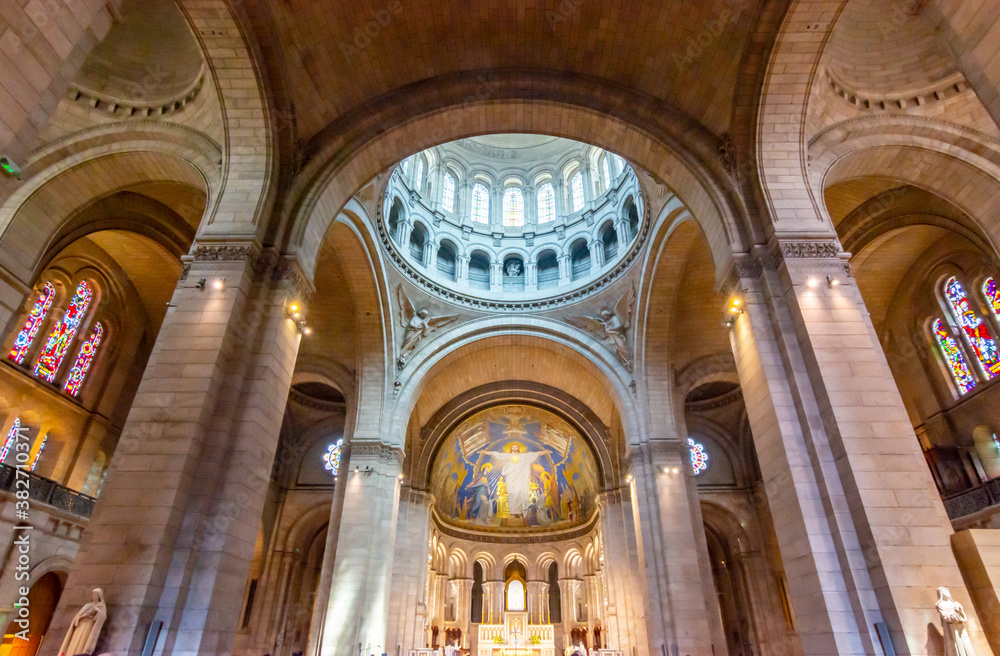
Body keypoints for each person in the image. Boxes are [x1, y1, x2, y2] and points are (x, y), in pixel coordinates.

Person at [485, 444, 542, 516]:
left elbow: (533, 455)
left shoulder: (523, 456)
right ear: (511, 448)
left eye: (516, 447)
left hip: (520, 477)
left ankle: (520, 512)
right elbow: (497, 454)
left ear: (518, 448)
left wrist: (544, 452)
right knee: (511, 492)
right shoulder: (507, 456)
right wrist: (486, 452)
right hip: (510, 476)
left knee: (519, 492)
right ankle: (513, 512)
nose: (514, 448)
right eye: (513, 447)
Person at [58, 588, 107, 656]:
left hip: (89, 626)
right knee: (75, 642)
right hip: (80, 625)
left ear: (99, 596)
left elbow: (103, 617)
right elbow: (76, 617)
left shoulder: (101, 606)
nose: (94, 596)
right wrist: (83, 616)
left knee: (83, 642)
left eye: (96, 594)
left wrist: (97, 611)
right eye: (93, 594)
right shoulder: (87, 605)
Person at [936, 587, 977, 656]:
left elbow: (963, 616)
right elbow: (945, 617)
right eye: (943, 592)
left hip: (959, 626)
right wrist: (954, 613)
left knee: (964, 642)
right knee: (955, 643)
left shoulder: (954, 603)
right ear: (941, 594)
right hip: (951, 627)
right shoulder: (940, 604)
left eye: (946, 591)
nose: (946, 593)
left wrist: (960, 610)